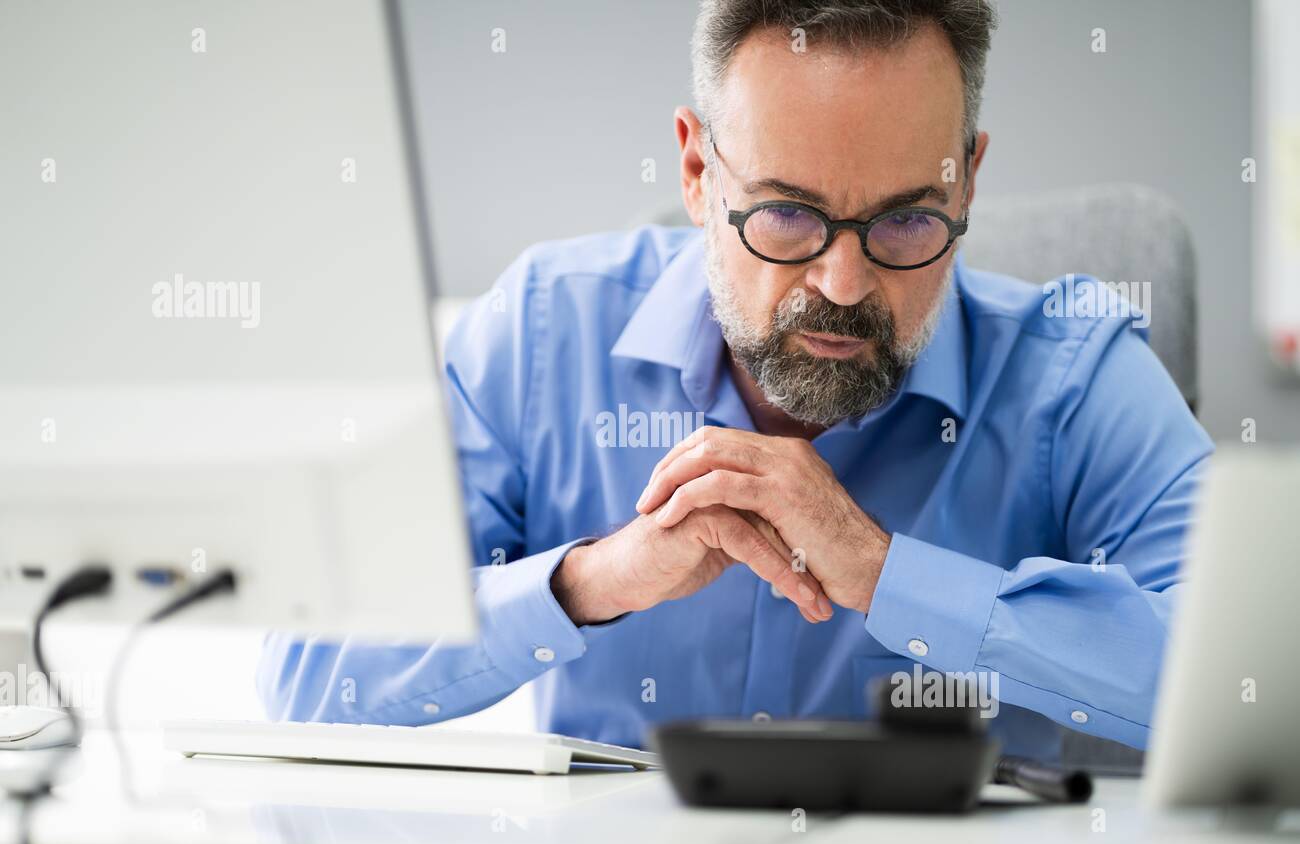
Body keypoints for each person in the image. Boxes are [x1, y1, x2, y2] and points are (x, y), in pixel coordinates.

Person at [258, 0, 1212, 759]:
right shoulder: (543, 329)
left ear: (967, 180)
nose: (843, 285)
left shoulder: (1073, 373)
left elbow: (1260, 681)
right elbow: (306, 673)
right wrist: (591, 582)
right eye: (787, 216)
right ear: (696, 170)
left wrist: (887, 575)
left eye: (909, 222)